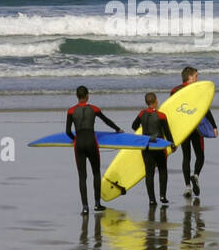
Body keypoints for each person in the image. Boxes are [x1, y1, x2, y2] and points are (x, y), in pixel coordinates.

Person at [65, 85, 122, 214]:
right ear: (87, 96)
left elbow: (68, 131)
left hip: (79, 144)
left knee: (82, 176)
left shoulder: (71, 111)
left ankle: (85, 207)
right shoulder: (94, 109)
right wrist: (118, 129)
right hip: (91, 142)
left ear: (77, 96)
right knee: (96, 173)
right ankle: (97, 204)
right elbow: (107, 121)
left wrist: (74, 139)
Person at [170, 66, 218, 199]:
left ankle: (187, 187)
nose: (197, 79)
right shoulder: (197, 91)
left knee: (186, 157)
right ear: (190, 77)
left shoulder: (175, 91)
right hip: (196, 128)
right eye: (196, 77)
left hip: (182, 128)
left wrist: (172, 132)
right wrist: (214, 126)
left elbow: (171, 111)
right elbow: (205, 109)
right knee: (200, 155)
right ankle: (195, 175)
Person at [132, 91, 175, 206]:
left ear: (147, 102)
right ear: (156, 101)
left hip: (146, 146)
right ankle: (163, 196)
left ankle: (152, 200)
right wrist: (172, 144)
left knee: (149, 173)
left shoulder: (142, 114)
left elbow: (133, 126)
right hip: (159, 146)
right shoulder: (161, 116)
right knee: (162, 171)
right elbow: (167, 132)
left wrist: (142, 130)